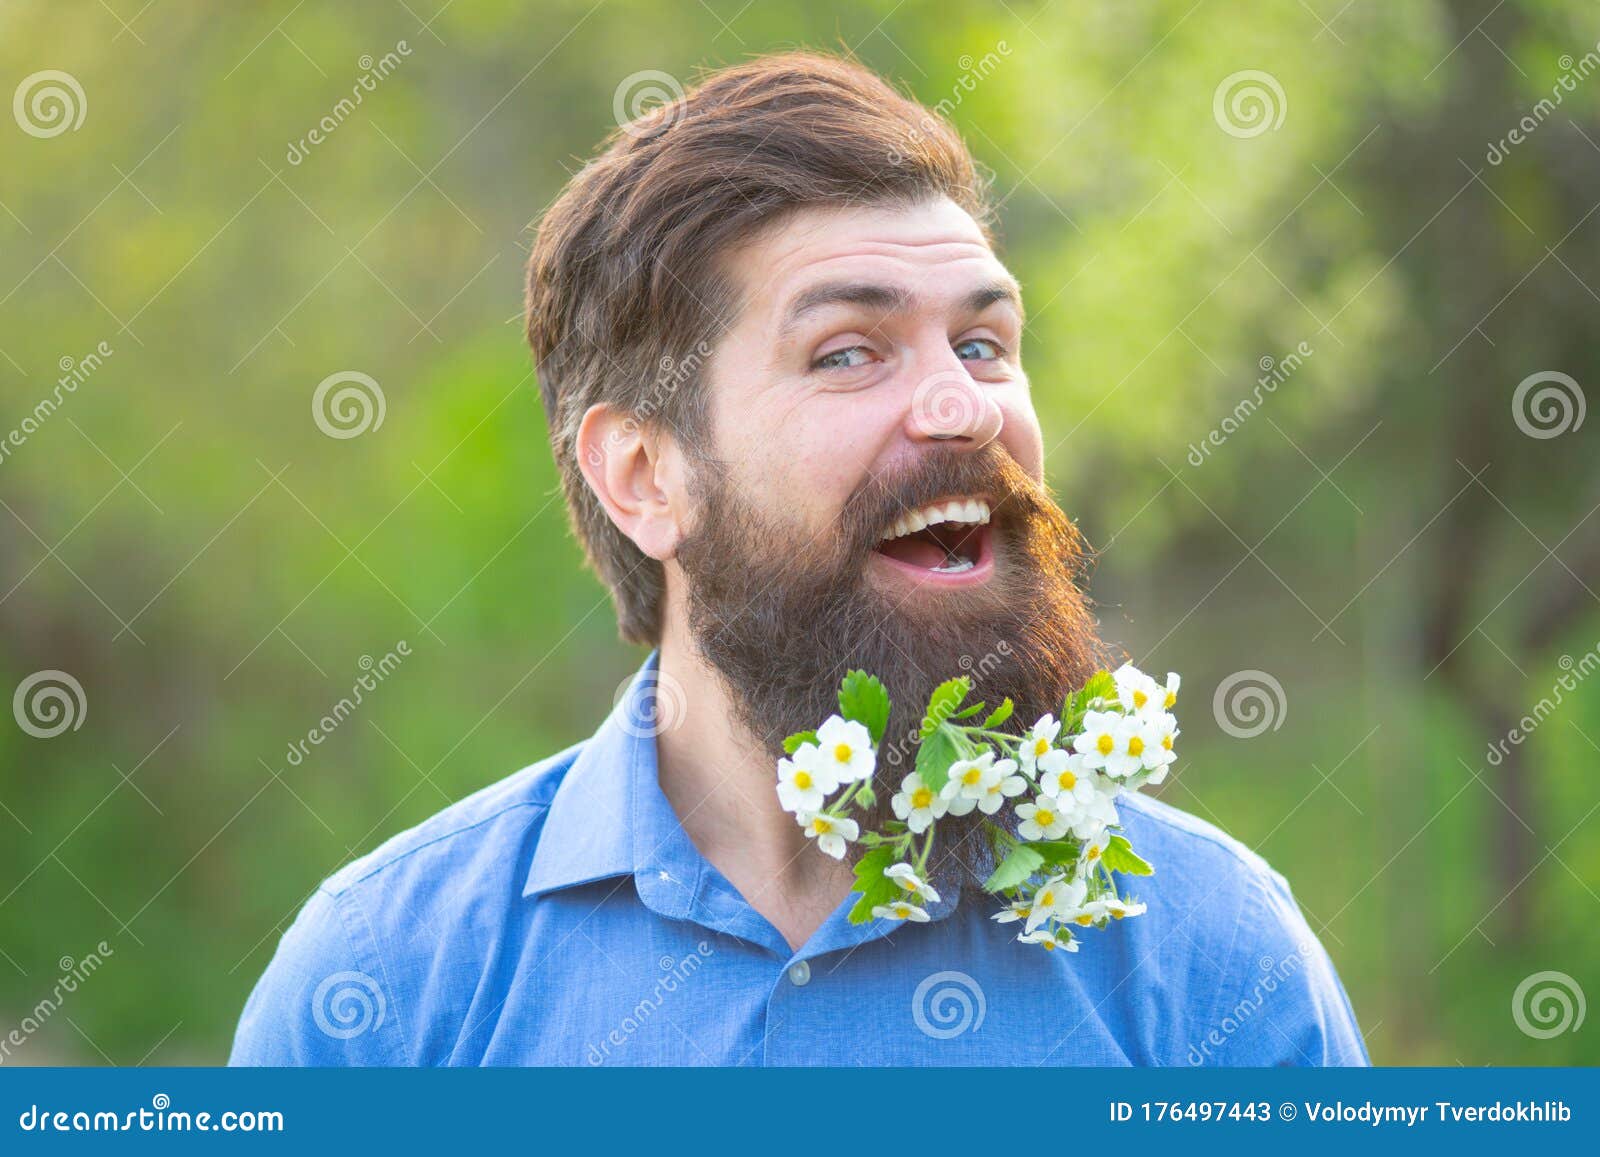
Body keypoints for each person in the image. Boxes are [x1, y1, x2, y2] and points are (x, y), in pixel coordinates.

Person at [230, 51, 1366, 1067]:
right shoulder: (388, 990)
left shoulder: (1210, 966)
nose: (963, 405)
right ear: (643, 475)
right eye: (846, 352)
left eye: (983, 342)